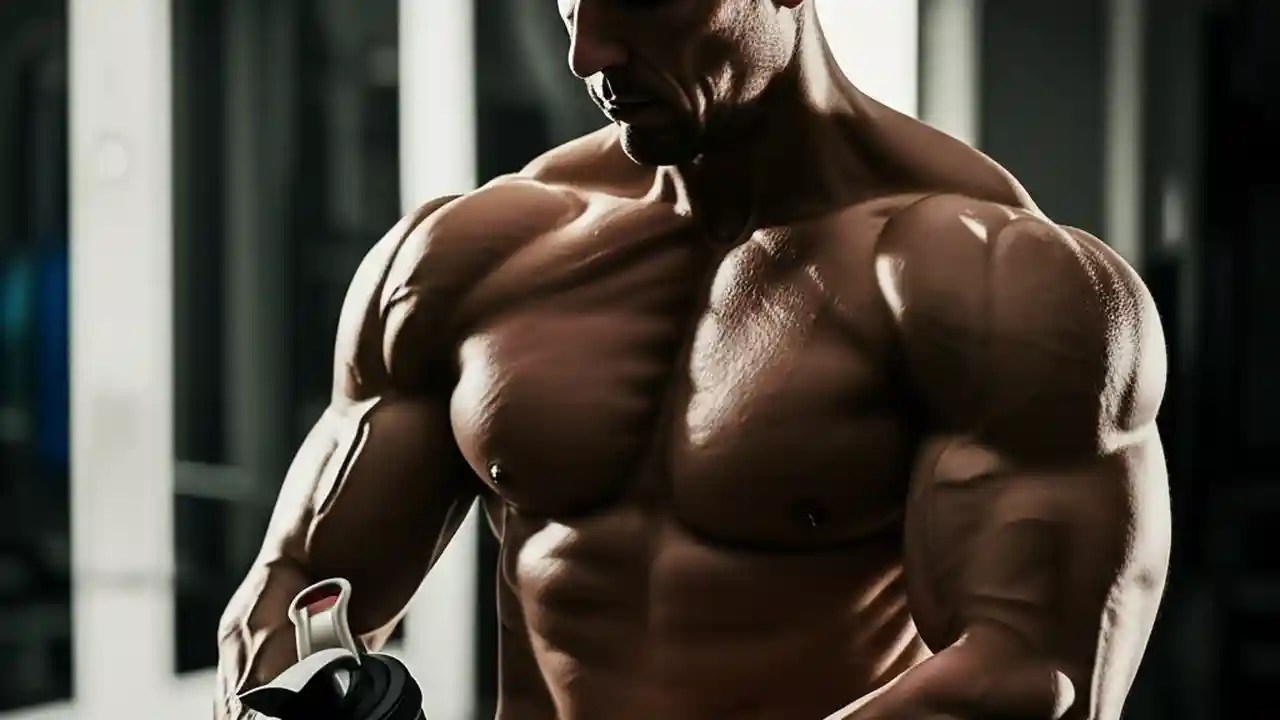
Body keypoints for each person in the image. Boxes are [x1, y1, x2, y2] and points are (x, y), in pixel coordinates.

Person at [216, 1, 1171, 718]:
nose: (587, 53)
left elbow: (1035, 675)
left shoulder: (993, 280)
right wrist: (303, 689)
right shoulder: (475, 255)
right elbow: (298, 584)